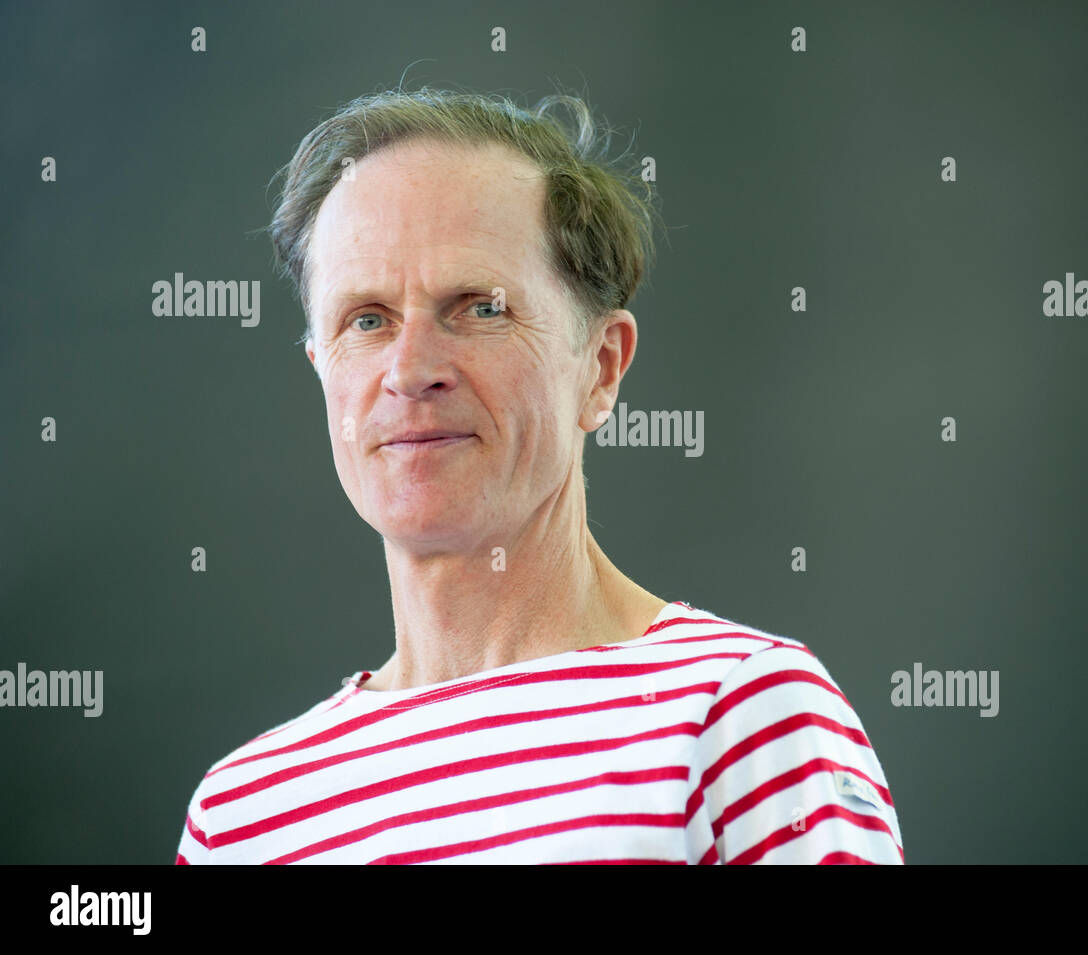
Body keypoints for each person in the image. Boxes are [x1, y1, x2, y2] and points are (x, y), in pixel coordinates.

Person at [174, 88, 903, 864]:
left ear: (601, 367)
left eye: (479, 308)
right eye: (367, 319)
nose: (411, 370)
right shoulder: (244, 813)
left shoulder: (744, 718)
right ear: (321, 370)